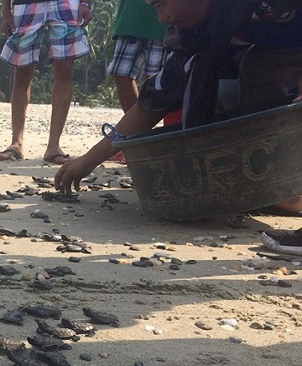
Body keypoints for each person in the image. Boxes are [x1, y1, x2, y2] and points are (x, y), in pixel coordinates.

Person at [53, 0, 302, 252]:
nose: (161, 18)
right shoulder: (195, 34)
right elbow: (153, 101)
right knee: (232, 72)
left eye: (161, 4)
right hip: (274, 53)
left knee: (260, 66)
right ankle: (282, 190)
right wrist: (88, 161)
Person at [0, 0, 92, 164]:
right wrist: (6, 11)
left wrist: (87, 3)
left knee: (65, 68)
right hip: (27, 3)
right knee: (22, 69)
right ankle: (16, 143)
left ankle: (54, 146)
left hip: (66, 3)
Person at [105, 0, 168, 162]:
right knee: (121, 73)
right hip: (131, 15)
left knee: (156, 80)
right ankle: (136, 138)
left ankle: (143, 142)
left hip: (164, 15)